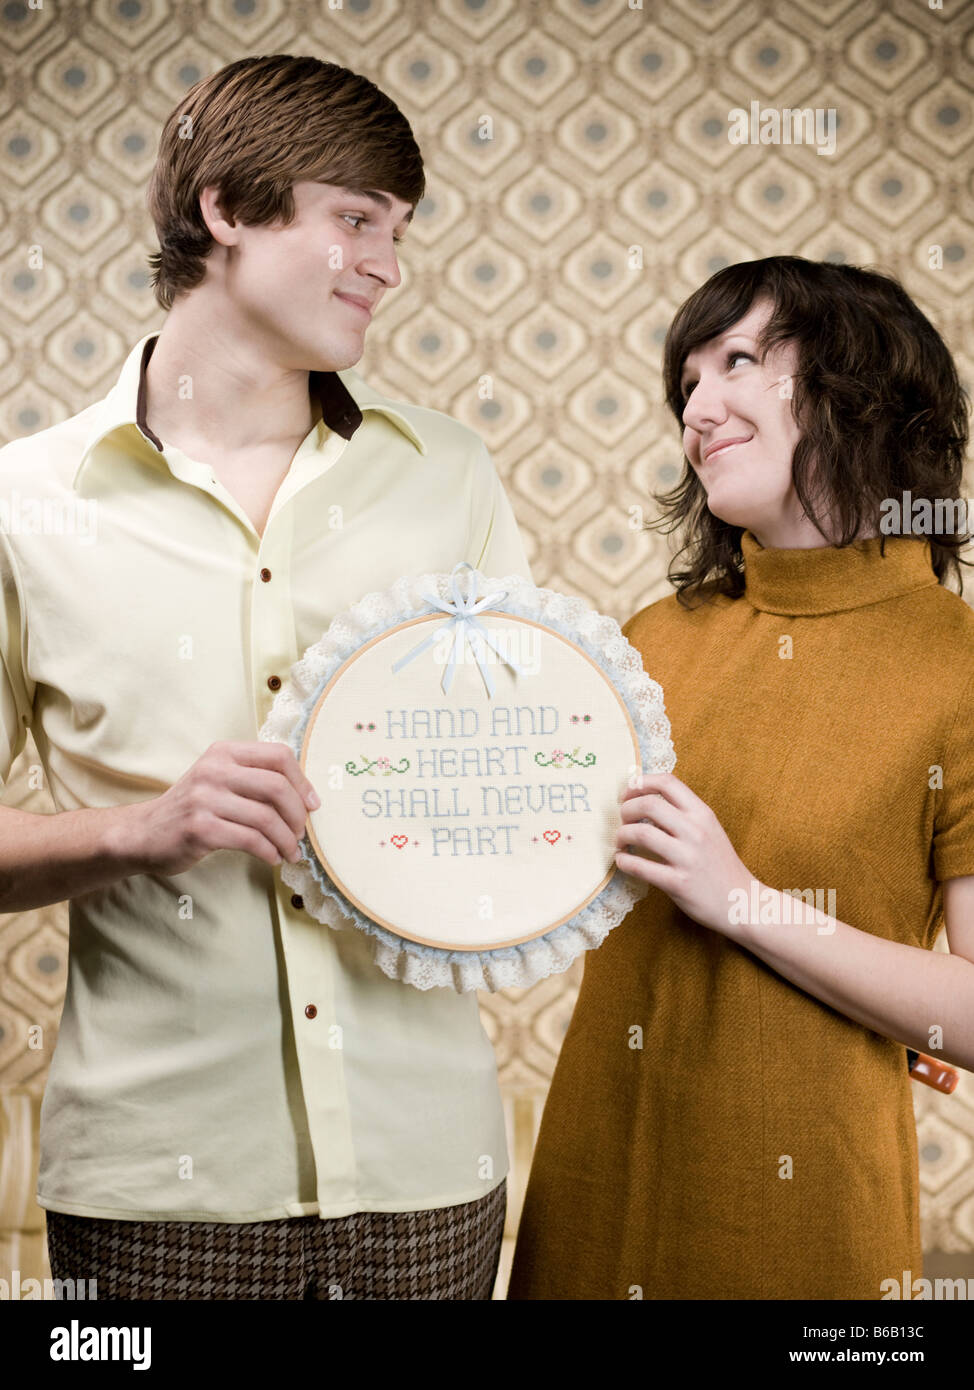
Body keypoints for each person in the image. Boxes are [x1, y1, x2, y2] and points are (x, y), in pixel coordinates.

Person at [0, 54, 532, 1300]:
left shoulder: (447, 474)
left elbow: (515, 782)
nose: (387, 266)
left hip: (431, 1175)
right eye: (354, 218)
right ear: (226, 211)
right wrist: (144, 828)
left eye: (398, 232)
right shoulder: (20, 507)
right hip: (154, 1196)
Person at [506, 255, 974, 1301]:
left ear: (858, 385)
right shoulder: (642, 644)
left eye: (736, 362)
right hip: (592, 1177)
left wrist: (747, 906)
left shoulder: (957, 667)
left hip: (797, 1226)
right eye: (683, 386)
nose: (696, 407)